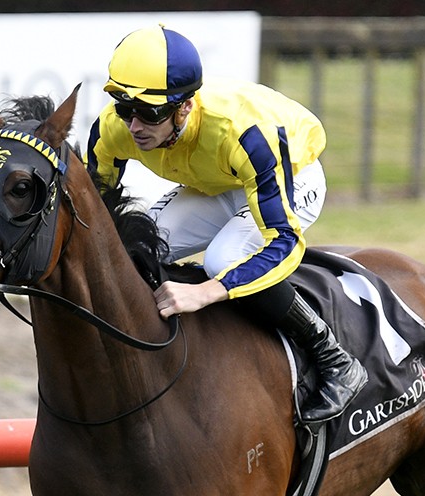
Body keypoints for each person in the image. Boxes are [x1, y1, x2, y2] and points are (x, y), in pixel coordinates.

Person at [86, 24, 367, 425]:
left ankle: (334, 358)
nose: (134, 126)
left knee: (223, 259)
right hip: (218, 181)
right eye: (123, 107)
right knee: (138, 243)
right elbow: (96, 219)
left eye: (148, 113)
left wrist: (204, 292)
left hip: (290, 175)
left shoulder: (245, 132)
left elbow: (283, 241)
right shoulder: (113, 130)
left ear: (184, 107)